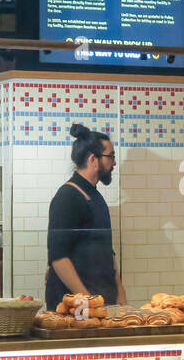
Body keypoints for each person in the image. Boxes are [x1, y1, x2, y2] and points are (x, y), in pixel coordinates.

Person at [45, 123, 127, 309]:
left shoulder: (95, 196)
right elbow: (58, 258)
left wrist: (120, 290)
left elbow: (106, 250)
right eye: (111, 156)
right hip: (75, 305)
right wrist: (87, 301)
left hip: (98, 300)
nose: (114, 163)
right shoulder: (68, 196)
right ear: (93, 159)